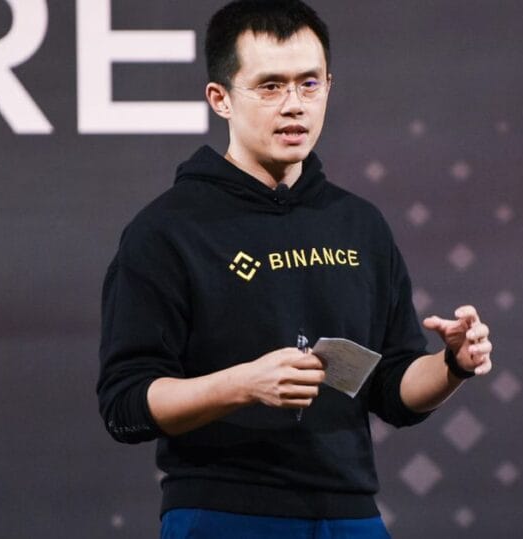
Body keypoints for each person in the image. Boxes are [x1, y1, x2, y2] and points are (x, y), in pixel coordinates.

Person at [97, 1, 493, 537]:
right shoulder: (167, 230)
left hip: (352, 517)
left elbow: (391, 388)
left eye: (309, 84)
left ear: (328, 86)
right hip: (224, 514)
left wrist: (452, 365)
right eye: (270, 86)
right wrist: (244, 384)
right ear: (220, 98)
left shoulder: (359, 224)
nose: (294, 106)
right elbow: (125, 405)